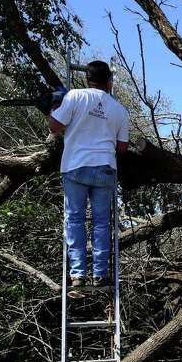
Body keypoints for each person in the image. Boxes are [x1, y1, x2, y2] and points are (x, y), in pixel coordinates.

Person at [48, 60, 130, 289]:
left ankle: (78, 274)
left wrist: (55, 105)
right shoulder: (119, 110)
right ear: (109, 82)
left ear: (87, 79)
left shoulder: (74, 96)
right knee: (102, 223)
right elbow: (122, 148)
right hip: (104, 168)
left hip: (75, 166)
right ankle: (100, 274)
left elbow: (54, 126)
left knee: (75, 219)